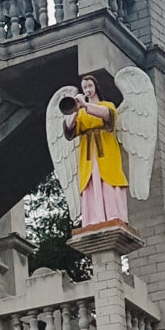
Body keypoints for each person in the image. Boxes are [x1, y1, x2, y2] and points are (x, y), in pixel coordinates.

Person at [61, 74, 129, 231]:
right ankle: (93, 218)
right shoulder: (80, 112)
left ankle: (113, 215)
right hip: (87, 155)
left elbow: (107, 115)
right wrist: (74, 109)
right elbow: (69, 129)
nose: (87, 90)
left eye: (89, 86)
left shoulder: (107, 105)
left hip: (105, 150)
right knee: (91, 183)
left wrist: (85, 105)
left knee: (108, 182)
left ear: (95, 87)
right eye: (84, 87)